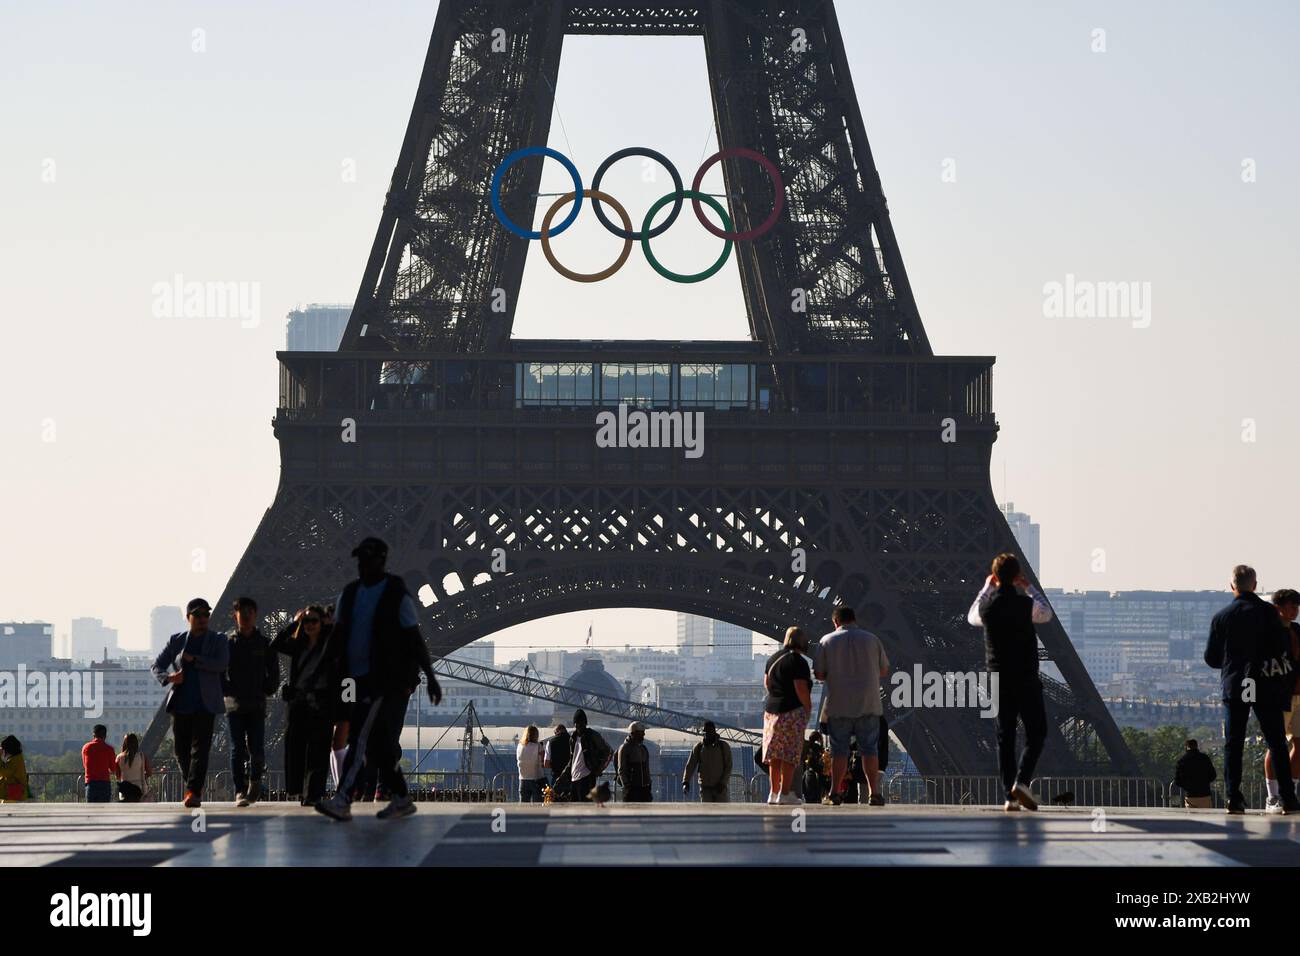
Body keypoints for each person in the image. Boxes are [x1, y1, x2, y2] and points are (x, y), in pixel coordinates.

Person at [316, 537, 442, 822]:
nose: (362, 564)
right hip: (359, 678)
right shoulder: (349, 593)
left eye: (368, 559)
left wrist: (431, 677)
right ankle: (401, 798)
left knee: (359, 737)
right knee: (378, 745)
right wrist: (320, 671)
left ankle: (342, 799)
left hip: (387, 680)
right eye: (359, 559)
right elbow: (336, 637)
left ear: (382, 561)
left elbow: (413, 638)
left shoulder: (396, 593)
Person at [1205, 565, 1299, 814]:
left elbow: (1212, 658)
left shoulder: (1222, 617)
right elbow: (1283, 648)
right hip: (1265, 684)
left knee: (1234, 743)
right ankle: (1288, 798)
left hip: (1238, 684)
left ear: (1232, 585)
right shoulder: (1269, 614)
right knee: (1277, 742)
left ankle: (1233, 798)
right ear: (1255, 585)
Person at [968, 553, 1053, 812]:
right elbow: (1046, 613)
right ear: (1016, 576)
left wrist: (986, 587)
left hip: (998, 678)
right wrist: (1027, 586)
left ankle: (1009, 796)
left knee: (1004, 737)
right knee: (1037, 732)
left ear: (995, 576)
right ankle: (1022, 780)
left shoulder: (987, 608)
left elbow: (971, 616)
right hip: (1025, 676)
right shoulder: (1026, 605)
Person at [150, 597, 230, 808]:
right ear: (188, 618)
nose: (203, 618)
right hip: (181, 703)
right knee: (181, 750)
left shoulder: (219, 640)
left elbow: (222, 664)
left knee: (200, 749)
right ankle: (194, 785)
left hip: (205, 704)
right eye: (198, 615)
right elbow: (157, 666)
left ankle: (193, 790)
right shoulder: (176, 640)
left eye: (206, 614)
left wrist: (195, 659)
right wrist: (169, 678)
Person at [815, 605, 890, 806]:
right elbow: (884, 671)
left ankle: (834, 793)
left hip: (839, 705)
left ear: (835, 622)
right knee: (870, 750)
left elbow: (820, 674)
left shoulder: (826, 640)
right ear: (854, 619)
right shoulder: (872, 640)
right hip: (868, 703)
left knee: (839, 751)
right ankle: (874, 793)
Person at [272, 605, 337, 805]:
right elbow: (275, 644)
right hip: (299, 703)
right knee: (296, 748)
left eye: (314, 621)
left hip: (321, 703)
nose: (309, 625)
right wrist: (294, 623)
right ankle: (300, 790)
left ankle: (314, 793)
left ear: (322, 622)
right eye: (306, 621)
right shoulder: (297, 645)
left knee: (319, 750)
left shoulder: (331, 643)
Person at [223, 596, 280, 807]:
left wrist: (266, 688)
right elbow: (220, 673)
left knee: (256, 748)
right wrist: (229, 691)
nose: (246, 616)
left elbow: (274, 673)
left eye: (249, 612)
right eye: (242, 612)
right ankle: (240, 790)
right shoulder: (228, 644)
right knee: (238, 749)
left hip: (255, 703)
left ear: (255, 615)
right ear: (235, 615)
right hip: (235, 705)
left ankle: (254, 782)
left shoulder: (264, 644)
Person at [763, 626, 813, 805]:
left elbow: (767, 683)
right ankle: (785, 793)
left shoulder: (772, 659)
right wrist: (808, 708)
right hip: (791, 712)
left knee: (774, 755)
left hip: (771, 712)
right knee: (790, 754)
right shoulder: (798, 661)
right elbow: (801, 688)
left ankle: (773, 793)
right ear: (801, 642)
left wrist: (777, 694)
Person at [1264, 589, 1300, 811]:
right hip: (1282, 694)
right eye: (1292, 606)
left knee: (1295, 744)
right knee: (1276, 744)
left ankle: (1286, 792)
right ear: (1279, 607)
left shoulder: (1295, 630)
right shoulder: (1272, 633)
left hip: (1296, 694)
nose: (1295, 610)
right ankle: (1274, 796)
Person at [564, 709, 612, 801]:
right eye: (577, 723)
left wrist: (599, 768)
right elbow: (572, 760)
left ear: (585, 723)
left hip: (587, 777)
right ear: (574, 724)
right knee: (575, 809)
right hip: (574, 778)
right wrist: (563, 777)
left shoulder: (593, 735)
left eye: (582, 723)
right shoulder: (572, 738)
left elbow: (608, 751)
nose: (579, 725)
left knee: (585, 808)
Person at [683, 721, 733, 802]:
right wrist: (686, 781)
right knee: (707, 812)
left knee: (722, 812)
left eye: (709, 732)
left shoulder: (723, 747)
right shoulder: (699, 747)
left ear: (714, 732)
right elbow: (690, 765)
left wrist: (723, 783)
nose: (708, 735)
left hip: (720, 788)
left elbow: (728, 766)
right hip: (705, 788)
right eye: (706, 732)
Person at [1174, 739, 1216, 809]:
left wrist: (1187, 786)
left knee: (1191, 816)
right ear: (1196, 746)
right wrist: (1205, 782)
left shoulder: (1182, 760)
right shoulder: (1205, 758)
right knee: (1207, 817)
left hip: (1190, 796)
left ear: (1186, 747)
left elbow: (1177, 780)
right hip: (1205, 794)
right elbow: (1213, 775)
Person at [615, 722, 652, 802]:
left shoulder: (643, 748)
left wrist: (649, 784)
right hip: (632, 789)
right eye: (641, 732)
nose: (644, 734)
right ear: (633, 733)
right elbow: (621, 770)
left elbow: (647, 768)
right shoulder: (624, 748)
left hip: (644, 789)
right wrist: (627, 786)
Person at [81, 724, 118, 803]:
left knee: (91, 811)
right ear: (105, 735)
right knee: (104, 810)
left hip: (90, 783)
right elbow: (113, 768)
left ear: (93, 734)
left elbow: (85, 765)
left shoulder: (86, 747)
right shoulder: (109, 749)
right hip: (104, 783)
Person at [116, 733, 153, 803]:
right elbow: (149, 772)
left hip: (125, 789)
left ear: (125, 743)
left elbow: (118, 776)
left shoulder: (119, 757)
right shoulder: (142, 756)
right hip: (139, 789)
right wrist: (142, 777)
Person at [517, 725, 546, 802]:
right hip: (536, 779)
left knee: (523, 807)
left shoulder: (519, 746)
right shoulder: (538, 746)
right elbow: (543, 762)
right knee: (537, 808)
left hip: (523, 780)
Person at [800, 730, 829, 804]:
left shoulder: (806, 748)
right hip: (817, 777)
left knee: (808, 798)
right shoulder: (818, 748)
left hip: (806, 775)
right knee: (817, 798)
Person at [544, 723, 570, 800]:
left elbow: (546, 764)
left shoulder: (551, 742)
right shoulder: (573, 741)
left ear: (556, 732)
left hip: (556, 776)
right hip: (571, 777)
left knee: (555, 801)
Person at [0, 735, 28, 802]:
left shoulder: (15, 759)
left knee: (7, 810)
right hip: (14, 790)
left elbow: (5, 773)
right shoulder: (16, 758)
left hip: (13, 790)